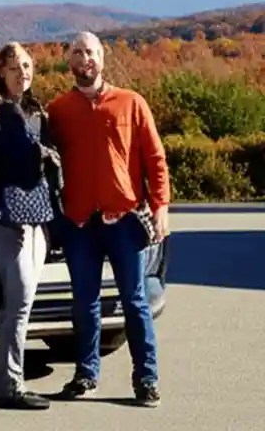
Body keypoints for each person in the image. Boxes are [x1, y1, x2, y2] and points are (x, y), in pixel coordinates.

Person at [46, 32, 170, 408]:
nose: (85, 58)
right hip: (79, 221)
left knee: (134, 302)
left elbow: (155, 159)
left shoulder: (131, 103)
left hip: (125, 220)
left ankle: (146, 379)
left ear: (103, 58)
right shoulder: (58, 111)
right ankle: (86, 376)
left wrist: (161, 207)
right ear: (69, 60)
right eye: (78, 52)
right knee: (84, 302)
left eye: (91, 52)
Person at [0, 42, 62, 411]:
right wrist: (35, 156)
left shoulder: (35, 110)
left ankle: (4, 382)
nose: (22, 71)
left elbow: (46, 162)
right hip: (7, 217)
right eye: (13, 66)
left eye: (27, 65)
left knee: (23, 301)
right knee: (18, 300)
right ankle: (10, 386)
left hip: (39, 215)